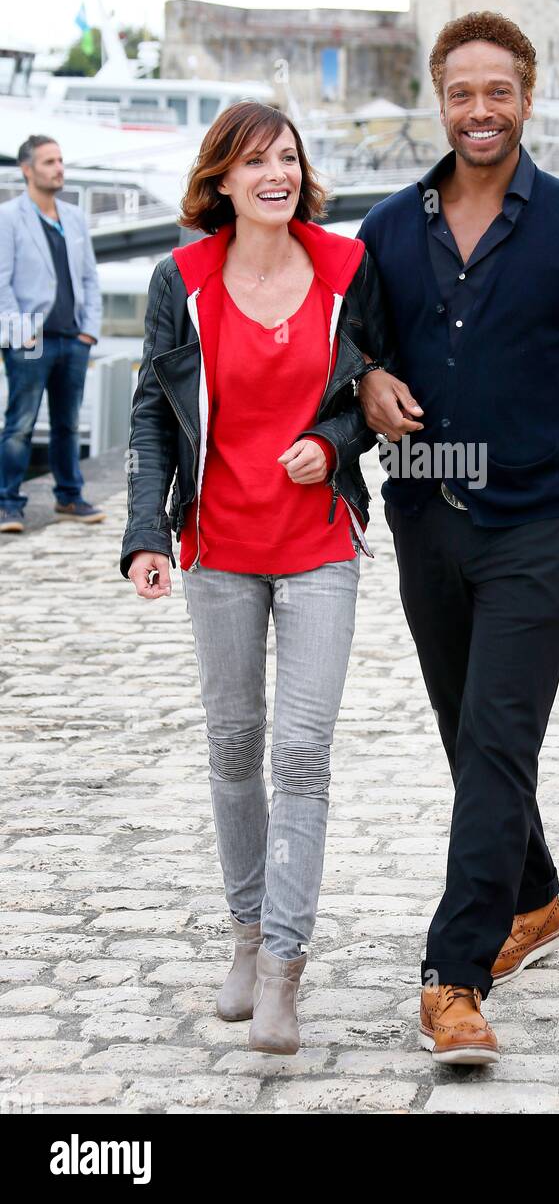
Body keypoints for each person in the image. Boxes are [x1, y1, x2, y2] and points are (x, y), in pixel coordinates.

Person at [356, 11, 559, 1066]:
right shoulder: (387, 230)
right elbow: (350, 351)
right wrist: (367, 379)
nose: (478, 110)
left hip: (538, 522)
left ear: (526, 99)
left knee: (495, 736)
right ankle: (532, 895)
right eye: (460, 93)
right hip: (424, 514)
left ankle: (454, 976)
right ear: (440, 102)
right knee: (468, 731)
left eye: (497, 92)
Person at [119, 101, 392, 1055]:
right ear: (222, 181)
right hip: (219, 548)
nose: (276, 174)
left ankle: (282, 967)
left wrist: (332, 441)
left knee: (302, 755)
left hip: (319, 544)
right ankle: (244, 934)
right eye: (254, 161)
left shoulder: (348, 269)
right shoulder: (182, 280)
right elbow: (153, 413)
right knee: (235, 747)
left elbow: (369, 396)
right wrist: (146, 532)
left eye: (288, 158)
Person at [0, 135, 104, 531]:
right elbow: (1, 282)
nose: (59, 168)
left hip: (72, 340)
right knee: (21, 423)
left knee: (68, 424)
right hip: (32, 338)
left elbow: (90, 278)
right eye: (49, 162)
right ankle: (7, 503)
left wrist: (88, 332)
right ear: (27, 169)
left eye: (60, 160)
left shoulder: (74, 217)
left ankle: (69, 497)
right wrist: (20, 334)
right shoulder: (9, 217)